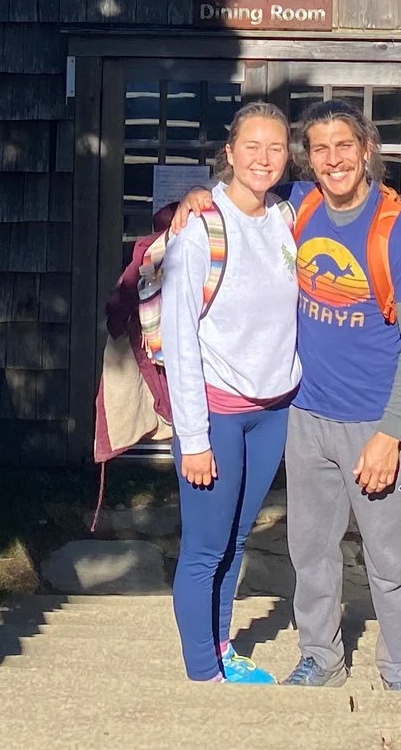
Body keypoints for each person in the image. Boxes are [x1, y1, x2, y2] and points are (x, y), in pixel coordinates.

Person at [276, 99, 401, 693]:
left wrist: (389, 434)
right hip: (307, 416)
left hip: (373, 424)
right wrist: (194, 201)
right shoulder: (300, 207)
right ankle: (320, 658)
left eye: (344, 146)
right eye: (320, 149)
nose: (333, 159)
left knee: (391, 561)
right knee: (310, 554)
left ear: (367, 149)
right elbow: (235, 198)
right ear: (310, 159)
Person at [157, 100, 303, 684]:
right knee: (204, 548)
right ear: (229, 152)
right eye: (252, 147)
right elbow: (179, 339)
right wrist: (192, 439)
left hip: (272, 412)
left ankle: (222, 649)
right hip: (216, 413)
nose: (263, 159)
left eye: (275, 148)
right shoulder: (200, 229)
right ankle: (202, 673)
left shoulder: (288, 217)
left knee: (237, 540)